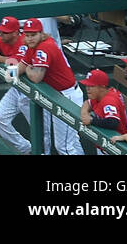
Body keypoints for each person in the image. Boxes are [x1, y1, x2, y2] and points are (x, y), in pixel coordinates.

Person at [15, 17, 85, 155]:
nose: (30, 39)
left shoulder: (45, 47)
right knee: (71, 143)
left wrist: (28, 68)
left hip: (67, 97)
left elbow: (36, 77)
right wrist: (8, 67)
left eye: (33, 35)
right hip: (59, 95)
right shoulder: (32, 46)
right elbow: (18, 69)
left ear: (41, 34)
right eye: (27, 35)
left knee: (65, 147)